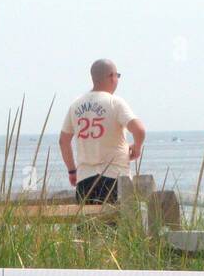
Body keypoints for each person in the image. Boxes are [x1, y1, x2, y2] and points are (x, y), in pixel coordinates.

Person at [59, 59, 146, 203]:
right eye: (117, 76)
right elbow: (139, 130)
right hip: (114, 177)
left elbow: (63, 141)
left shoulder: (75, 105)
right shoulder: (115, 102)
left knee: (88, 224)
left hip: (85, 180)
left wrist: (72, 171)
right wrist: (137, 148)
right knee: (116, 224)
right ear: (111, 76)